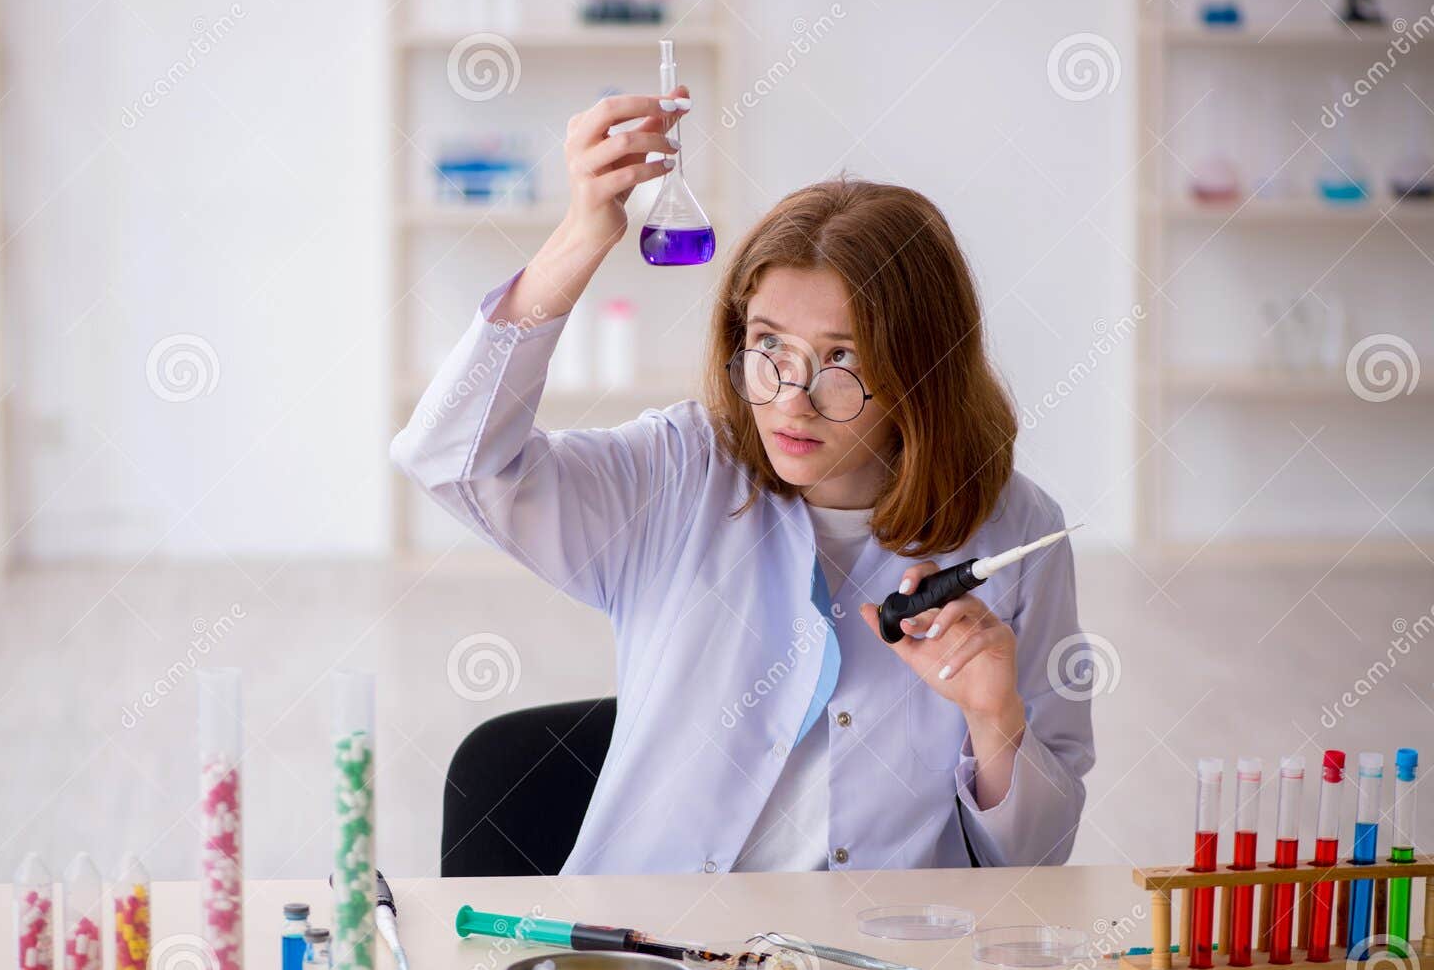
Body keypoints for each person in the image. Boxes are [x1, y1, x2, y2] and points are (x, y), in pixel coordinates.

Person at [390, 86, 1095, 874]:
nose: (791, 398)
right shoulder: (680, 471)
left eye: (843, 359)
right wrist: (580, 236)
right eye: (768, 345)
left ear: (922, 372)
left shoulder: (1017, 536)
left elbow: (1038, 863)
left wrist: (996, 718)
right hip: (655, 963)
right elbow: (448, 458)